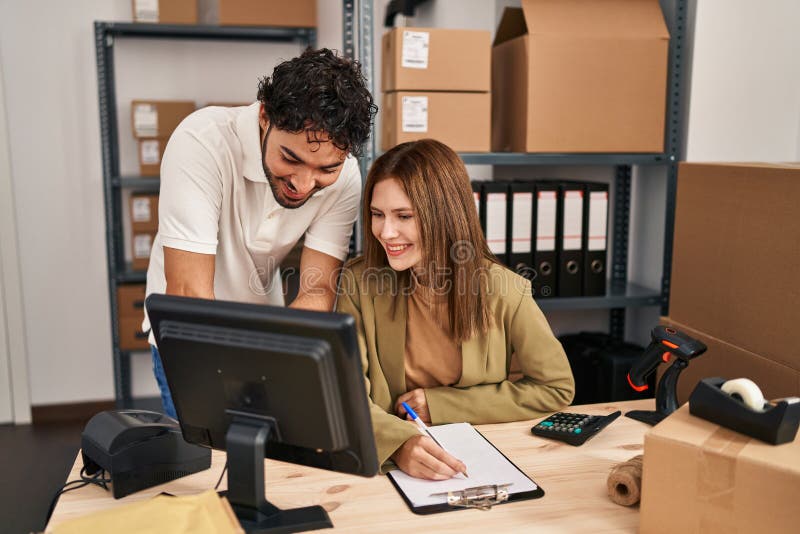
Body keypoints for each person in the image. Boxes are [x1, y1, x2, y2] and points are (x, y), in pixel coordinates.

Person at [143, 48, 377, 417]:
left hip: (266, 332)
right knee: (205, 464)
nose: (303, 184)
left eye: (324, 170)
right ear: (265, 115)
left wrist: (272, 365)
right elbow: (190, 293)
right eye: (291, 158)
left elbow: (318, 289)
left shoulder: (345, 176)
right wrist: (234, 380)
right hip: (188, 337)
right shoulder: (202, 141)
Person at [336, 139, 575, 480]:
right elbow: (346, 393)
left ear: (445, 215)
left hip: (480, 458)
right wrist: (398, 444)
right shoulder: (359, 283)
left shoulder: (505, 290)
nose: (386, 232)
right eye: (377, 214)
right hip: (386, 464)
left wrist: (440, 405)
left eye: (404, 216)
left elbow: (555, 387)